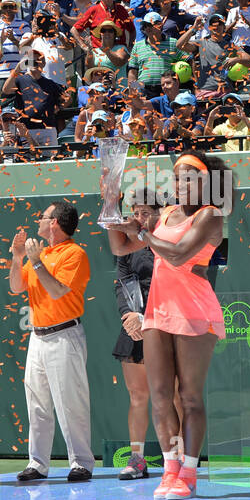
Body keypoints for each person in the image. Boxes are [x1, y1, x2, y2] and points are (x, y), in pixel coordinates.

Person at [108, 151, 232, 500]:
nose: (180, 183)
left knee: (189, 398)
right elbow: (121, 247)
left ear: (205, 182)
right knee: (161, 397)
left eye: (189, 176)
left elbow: (177, 256)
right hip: (157, 310)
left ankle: (189, 473)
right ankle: (170, 469)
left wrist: (145, 235)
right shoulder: (165, 214)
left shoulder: (210, 215)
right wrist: (110, 206)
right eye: (177, 177)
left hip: (193, 308)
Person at [8, 200, 93, 482]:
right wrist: (18, 257)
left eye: (43, 217)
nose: (40, 221)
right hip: (38, 336)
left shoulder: (74, 254)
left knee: (70, 402)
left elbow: (57, 291)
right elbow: (15, 286)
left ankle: (81, 462)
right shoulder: (41, 253)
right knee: (37, 403)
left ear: (54, 222)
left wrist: (35, 261)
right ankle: (37, 463)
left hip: (64, 335)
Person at [105, 187, 163, 480]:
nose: (139, 218)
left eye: (145, 213)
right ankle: (137, 459)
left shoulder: (165, 241)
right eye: (135, 212)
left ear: (159, 214)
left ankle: (174, 459)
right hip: (135, 325)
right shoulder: (128, 247)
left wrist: (148, 316)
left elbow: (166, 282)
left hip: (165, 323)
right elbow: (123, 281)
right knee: (138, 396)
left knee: (172, 396)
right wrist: (130, 316)